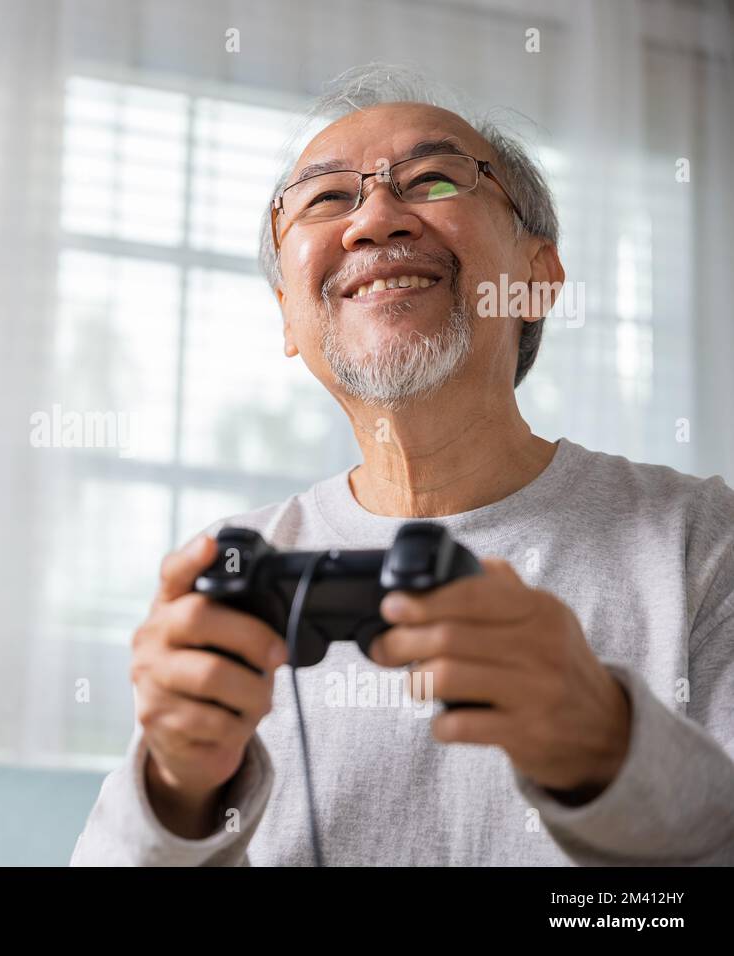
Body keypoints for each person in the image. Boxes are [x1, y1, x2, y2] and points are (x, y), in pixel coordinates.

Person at [69, 66, 734, 866]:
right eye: (325, 199)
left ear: (538, 278)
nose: (375, 219)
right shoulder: (229, 567)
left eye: (435, 180)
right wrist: (179, 791)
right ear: (288, 314)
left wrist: (607, 748)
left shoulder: (704, 542)